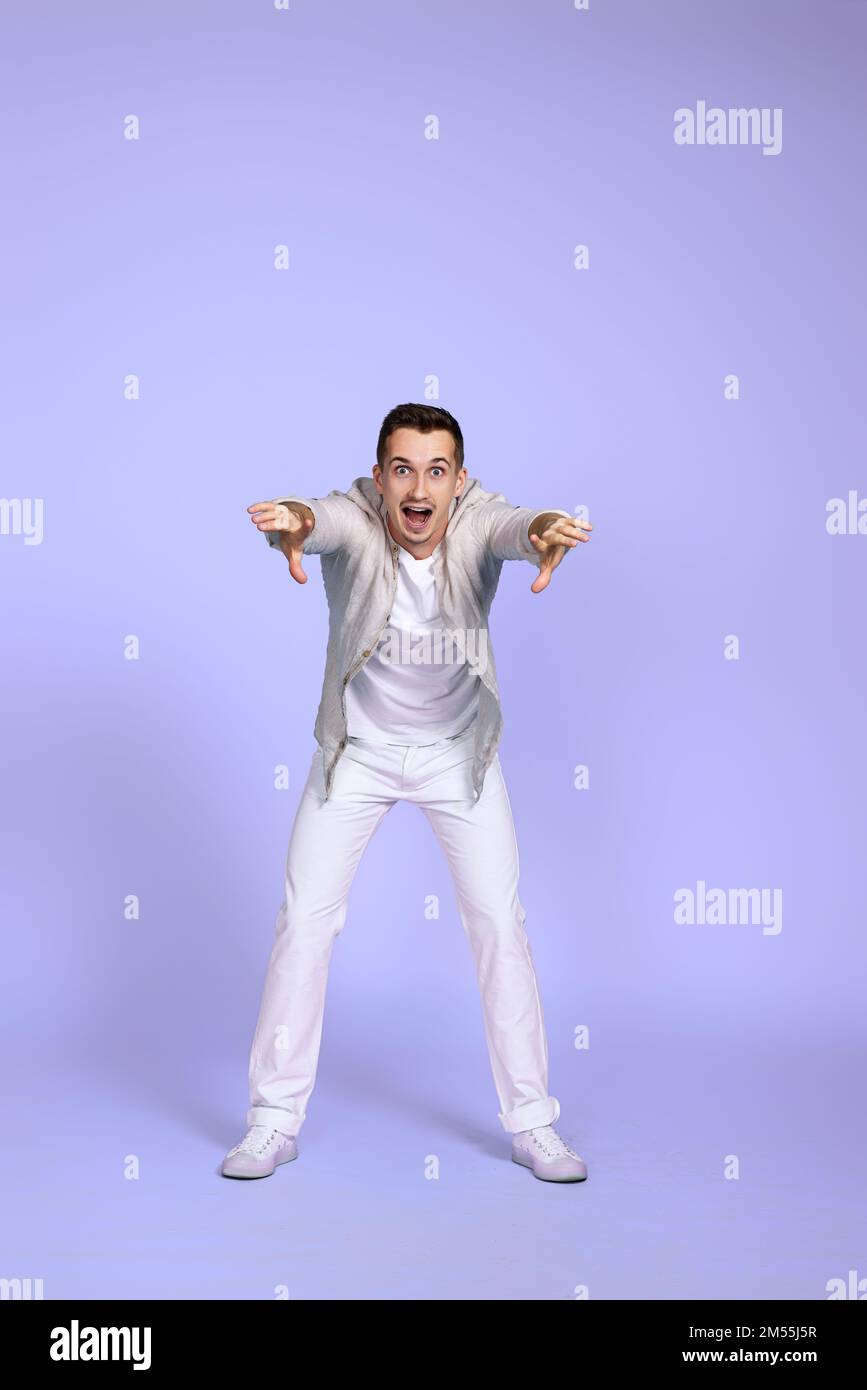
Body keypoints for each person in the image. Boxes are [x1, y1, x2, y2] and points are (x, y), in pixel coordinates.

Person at [221, 403, 592, 1183]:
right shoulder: (358, 520)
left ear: (457, 481)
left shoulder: (475, 516)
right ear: (379, 478)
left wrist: (547, 527)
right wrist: (287, 521)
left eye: (435, 471)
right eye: (401, 470)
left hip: (458, 758)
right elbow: (318, 520)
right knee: (304, 921)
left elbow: (514, 526)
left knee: (499, 921)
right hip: (356, 753)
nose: (417, 488)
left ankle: (533, 1124)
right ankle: (272, 1120)